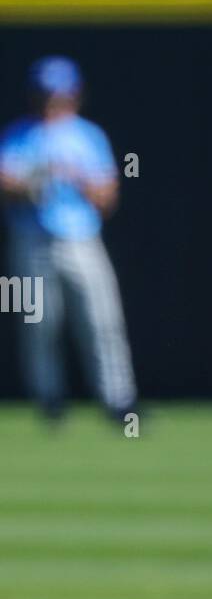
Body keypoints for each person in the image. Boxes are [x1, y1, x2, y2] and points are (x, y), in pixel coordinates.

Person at [0, 56, 137, 423]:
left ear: (74, 94)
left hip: (80, 238)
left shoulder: (88, 136)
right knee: (37, 324)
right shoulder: (19, 134)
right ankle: (50, 402)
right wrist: (31, 182)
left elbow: (107, 196)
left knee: (102, 320)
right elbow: (6, 181)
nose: (51, 101)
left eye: (58, 93)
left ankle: (119, 403)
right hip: (29, 241)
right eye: (45, 93)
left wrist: (76, 178)